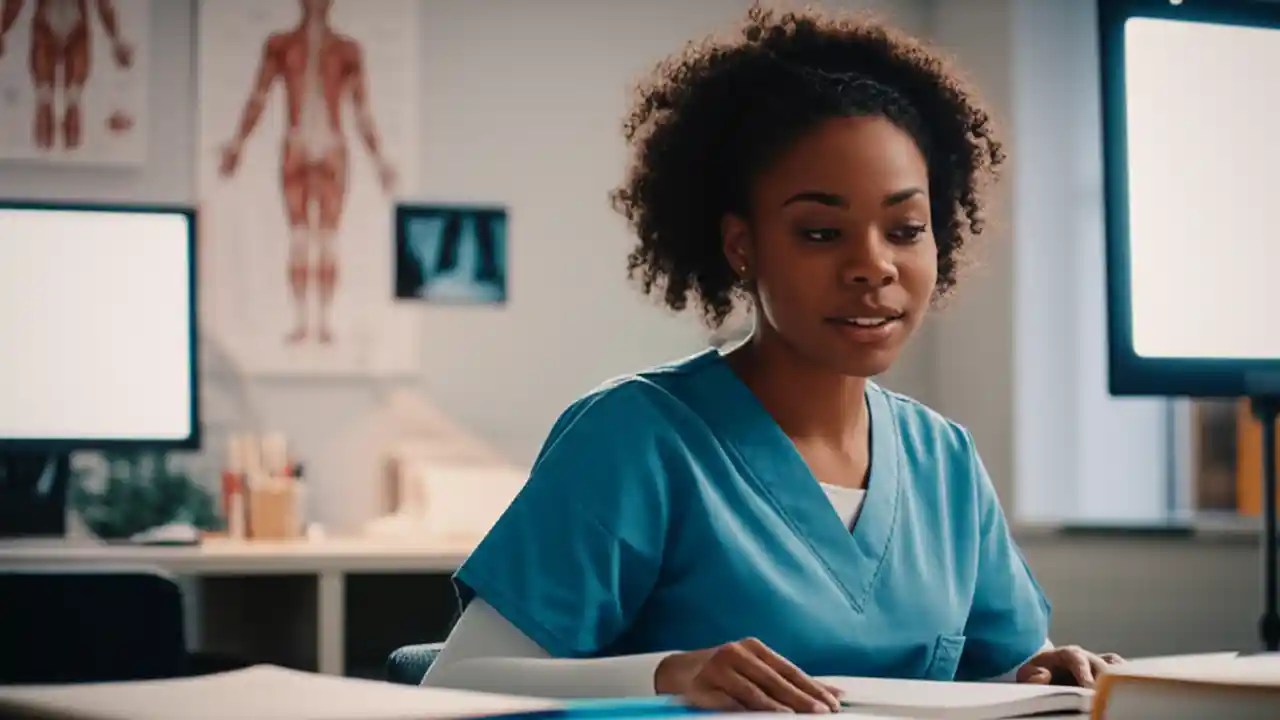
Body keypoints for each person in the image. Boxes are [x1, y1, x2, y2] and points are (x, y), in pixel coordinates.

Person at [422, 5, 1122, 711]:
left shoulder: (945, 464)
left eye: (906, 229)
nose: (873, 266)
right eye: (821, 232)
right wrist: (674, 674)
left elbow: (1004, 670)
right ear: (741, 246)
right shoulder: (636, 440)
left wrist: (1044, 673)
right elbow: (457, 679)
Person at [219, 0, 396, 345]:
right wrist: (238, 144)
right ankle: (303, 322)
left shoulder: (346, 50)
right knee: (300, 238)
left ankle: (324, 322)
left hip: (331, 145)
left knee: (327, 238)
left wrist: (380, 162)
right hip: (297, 143)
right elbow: (259, 96)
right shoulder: (281, 45)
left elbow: (361, 111)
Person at [0, 0, 134, 150]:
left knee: (65, 101)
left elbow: (103, 4)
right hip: (57, 25)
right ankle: (50, 159)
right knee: (57, 101)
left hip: (64, 27)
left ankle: (62, 159)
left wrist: (117, 41)